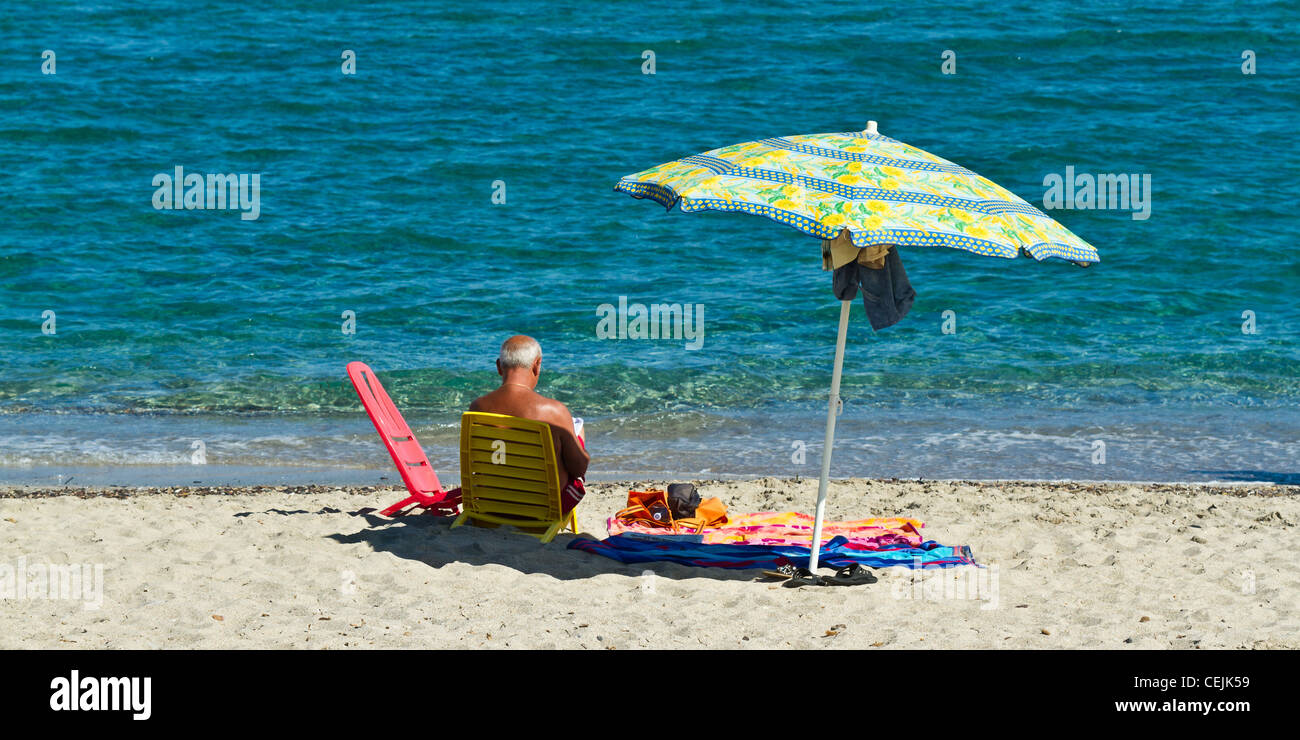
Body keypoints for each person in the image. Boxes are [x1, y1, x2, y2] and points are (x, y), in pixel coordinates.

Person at [469, 335, 589, 513]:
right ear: (537, 365)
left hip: (492, 503)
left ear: (498, 367)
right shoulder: (554, 411)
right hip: (543, 508)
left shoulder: (478, 407)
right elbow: (579, 469)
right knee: (575, 433)